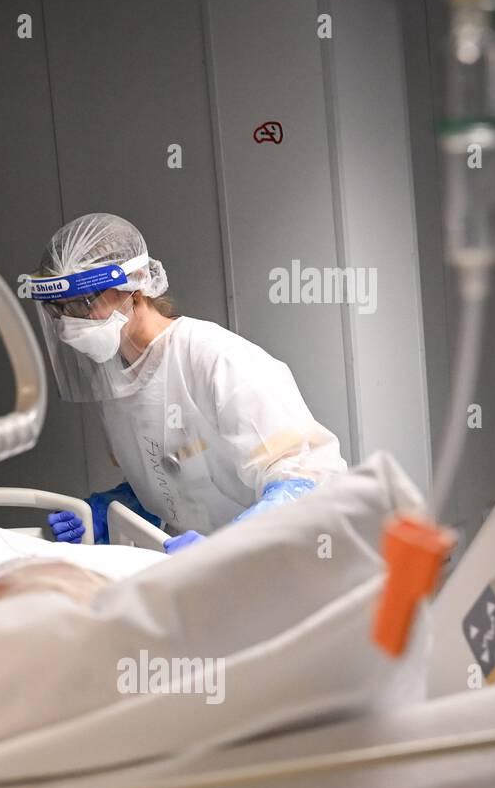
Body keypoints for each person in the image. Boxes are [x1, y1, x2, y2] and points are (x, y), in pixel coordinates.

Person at [31, 213, 346, 553]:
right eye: (59, 310)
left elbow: (310, 480)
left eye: (84, 303)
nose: (69, 324)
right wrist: (112, 510)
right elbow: (171, 475)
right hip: (198, 572)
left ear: (134, 288)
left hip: (275, 567)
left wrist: (229, 549)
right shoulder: (117, 380)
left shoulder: (216, 358)